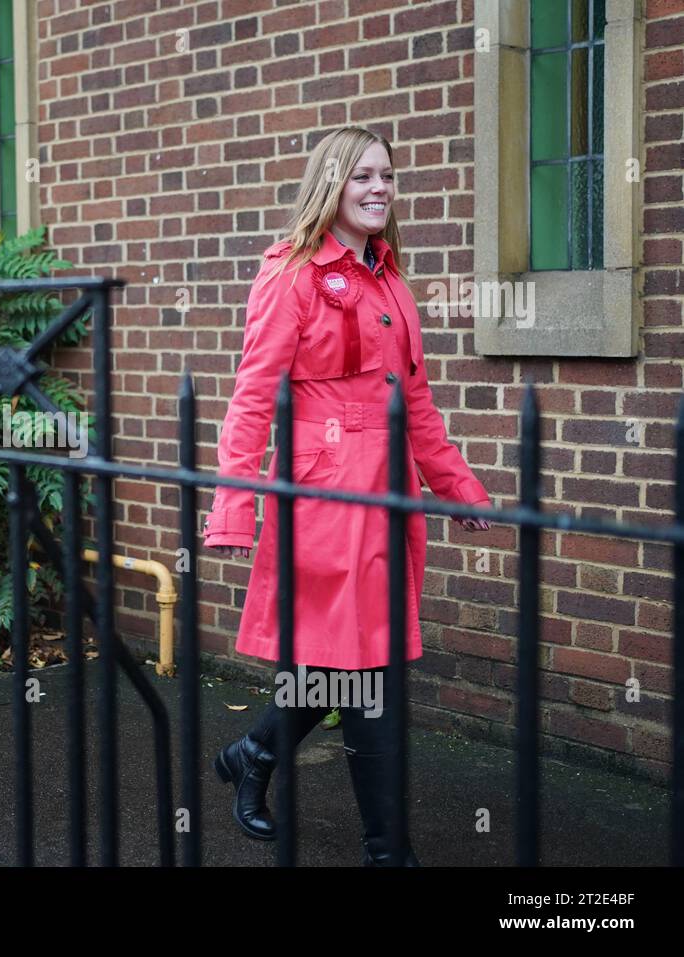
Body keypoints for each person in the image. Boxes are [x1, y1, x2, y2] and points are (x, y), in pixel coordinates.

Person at [203, 126, 492, 866]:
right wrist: (234, 503)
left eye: (387, 176)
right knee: (369, 670)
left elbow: (414, 402)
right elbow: (252, 394)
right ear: (330, 183)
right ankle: (387, 851)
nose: (378, 189)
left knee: (346, 661)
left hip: (388, 492)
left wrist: (454, 481)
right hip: (327, 499)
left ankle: (254, 753)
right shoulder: (291, 273)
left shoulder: (390, 277)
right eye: (361, 175)